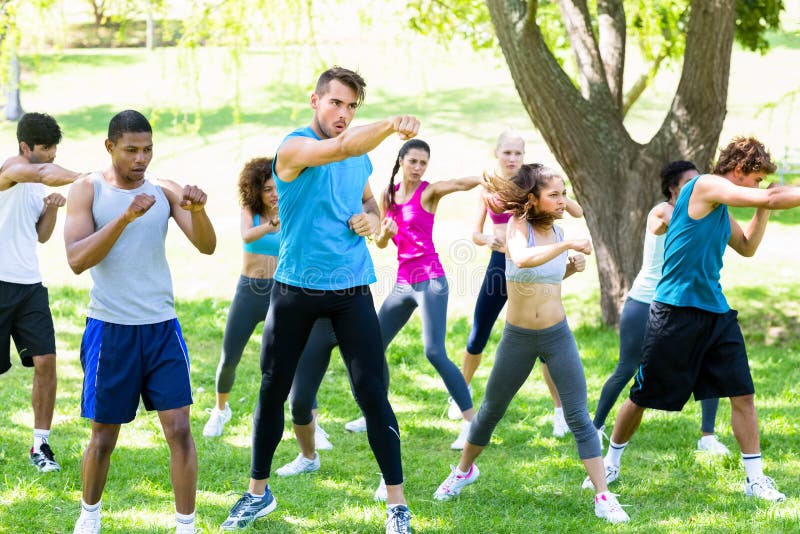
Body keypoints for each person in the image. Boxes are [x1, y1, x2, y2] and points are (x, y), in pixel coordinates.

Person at [220, 67, 418, 534]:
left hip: (351, 288)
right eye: (336, 103)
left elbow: (369, 203)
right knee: (273, 388)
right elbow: (341, 148)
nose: (343, 114)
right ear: (315, 101)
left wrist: (372, 220)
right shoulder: (293, 148)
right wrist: (391, 124)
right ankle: (257, 493)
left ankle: (397, 505)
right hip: (296, 289)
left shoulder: (358, 154)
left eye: (352, 107)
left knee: (372, 392)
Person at [598, 136, 800, 504]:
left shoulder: (721, 209)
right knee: (642, 396)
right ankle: (609, 464)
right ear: (738, 169)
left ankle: (755, 480)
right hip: (674, 310)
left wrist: (763, 207)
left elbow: (747, 247)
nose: (758, 187)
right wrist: (767, 198)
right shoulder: (705, 186)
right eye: (756, 179)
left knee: (743, 394)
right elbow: (771, 197)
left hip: (716, 312)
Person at [432, 163, 629, 524]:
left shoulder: (557, 230)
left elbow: (546, 278)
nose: (562, 200)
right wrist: (566, 246)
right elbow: (522, 260)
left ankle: (603, 495)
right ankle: (463, 471)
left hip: (557, 334)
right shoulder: (517, 227)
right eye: (554, 194)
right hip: (518, 338)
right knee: (491, 411)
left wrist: (570, 267)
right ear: (533, 198)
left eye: (564, 193)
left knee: (578, 415)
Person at [64, 110, 216, 534]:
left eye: (148, 149)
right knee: (103, 436)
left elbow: (206, 246)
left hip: (162, 327)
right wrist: (125, 217)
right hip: (111, 328)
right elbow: (76, 259)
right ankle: (89, 516)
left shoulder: (164, 191)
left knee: (180, 429)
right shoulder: (87, 190)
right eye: (131, 150)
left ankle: (186, 525)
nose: (141, 159)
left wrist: (200, 211)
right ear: (110, 146)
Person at [589, 161, 728, 456]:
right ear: (672, 188)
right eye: (688, 182)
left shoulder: (702, 213)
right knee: (628, 368)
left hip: (682, 305)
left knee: (707, 364)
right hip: (645, 303)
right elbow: (682, 222)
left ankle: (707, 436)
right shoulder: (662, 211)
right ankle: (595, 428)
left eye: (699, 181)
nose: (695, 187)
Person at [453, 130, 583, 438]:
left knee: (546, 345)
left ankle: (559, 411)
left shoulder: (534, 187)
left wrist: (558, 193)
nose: (512, 158)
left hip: (534, 265)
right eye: (507, 152)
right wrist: (488, 238)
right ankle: (461, 393)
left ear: (524, 156)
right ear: (497, 154)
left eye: (518, 153)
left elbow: (577, 212)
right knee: (479, 330)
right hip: (501, 264)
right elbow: (476, 233)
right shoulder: (489, 190)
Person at [201, 157, 332, 449]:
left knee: (298, 360)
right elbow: (247, 235)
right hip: (249, 291)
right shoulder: (251, 212)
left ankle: (312, 423)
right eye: (267, 189)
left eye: (277, 188)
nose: (274, 194)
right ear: (255, 190)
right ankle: (220, 410)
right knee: (230, 357)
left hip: (283, 292)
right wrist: (272, 224)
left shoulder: (292, 210)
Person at [0, 112, 84, 473]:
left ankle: (40, 444)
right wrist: (87, 178)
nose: (51, 154)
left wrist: (50, 209)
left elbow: (40, 235)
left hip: (30, 285)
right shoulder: (11, 168)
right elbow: (45, 173)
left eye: (54, 148)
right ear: (25, 147)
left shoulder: (36, 183)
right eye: (45, 148)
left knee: (46, 361)